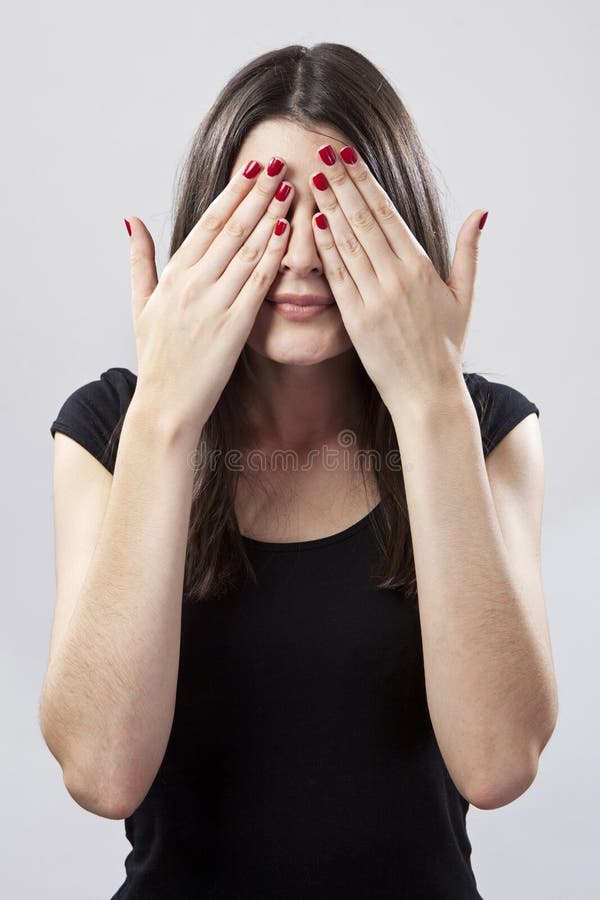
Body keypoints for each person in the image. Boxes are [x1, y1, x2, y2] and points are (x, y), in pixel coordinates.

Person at [40, 43, 557, 899]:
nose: (305, 256)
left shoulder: (486, 428)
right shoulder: (111, 428)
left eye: (339, 210)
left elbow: (500, 764)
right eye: (270, 207)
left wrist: (431, 399)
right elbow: (100, 773)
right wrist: (166, 410)